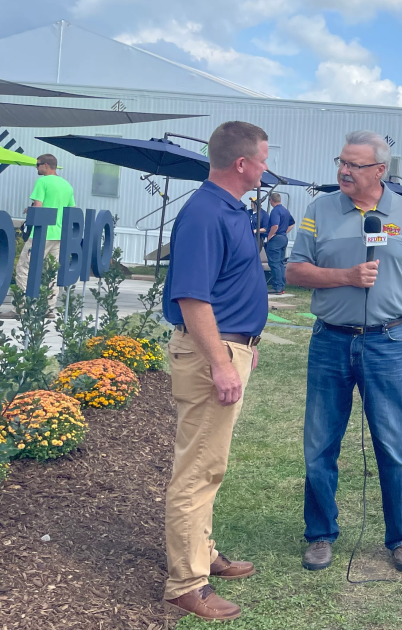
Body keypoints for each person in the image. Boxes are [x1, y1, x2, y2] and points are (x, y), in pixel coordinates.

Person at [288, 131, 402, 577]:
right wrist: (346, 275)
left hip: (386, 343)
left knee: (393, 443)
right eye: (341, 162)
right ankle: (319, 535)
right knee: (320, 445)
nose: (344, 171)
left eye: (355, 165)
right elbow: (293, 271)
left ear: (380, 171)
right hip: (330, 340)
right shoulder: (319, 210)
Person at [160, 122, 270, 622]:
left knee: (211, 465)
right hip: (211, 356)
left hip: (229, 347)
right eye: (262, 159)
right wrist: (222, 362)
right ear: (242, 164)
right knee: (198, 470)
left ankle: (203, 554)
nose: (266, 168)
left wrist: (246, 345)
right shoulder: (206, 212)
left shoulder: (228, 208)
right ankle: (186, 583)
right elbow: (192, 297)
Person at [13, 153, 75, 309]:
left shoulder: (42, 182)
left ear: (46, 165)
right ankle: (49, 308)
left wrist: (31, 209)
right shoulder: (67, 185)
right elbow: (71, 210)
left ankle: (21, 307)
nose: (36, 168)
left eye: (37, 164)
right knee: (52, 271)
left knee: (23, 268)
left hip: (41, 234)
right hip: (59, 234)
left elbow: (39, 207)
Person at [264, 192, 295, 295]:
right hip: (283, 238)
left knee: (274, 263)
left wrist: (270, 236)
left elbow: (275, 226)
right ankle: (281, 286)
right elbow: (292, 223)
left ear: (271, 200)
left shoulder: (275, 211)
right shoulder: (285, 211)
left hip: (276, 238)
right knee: (280, 262)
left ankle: (276, 287)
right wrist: (284, 232)